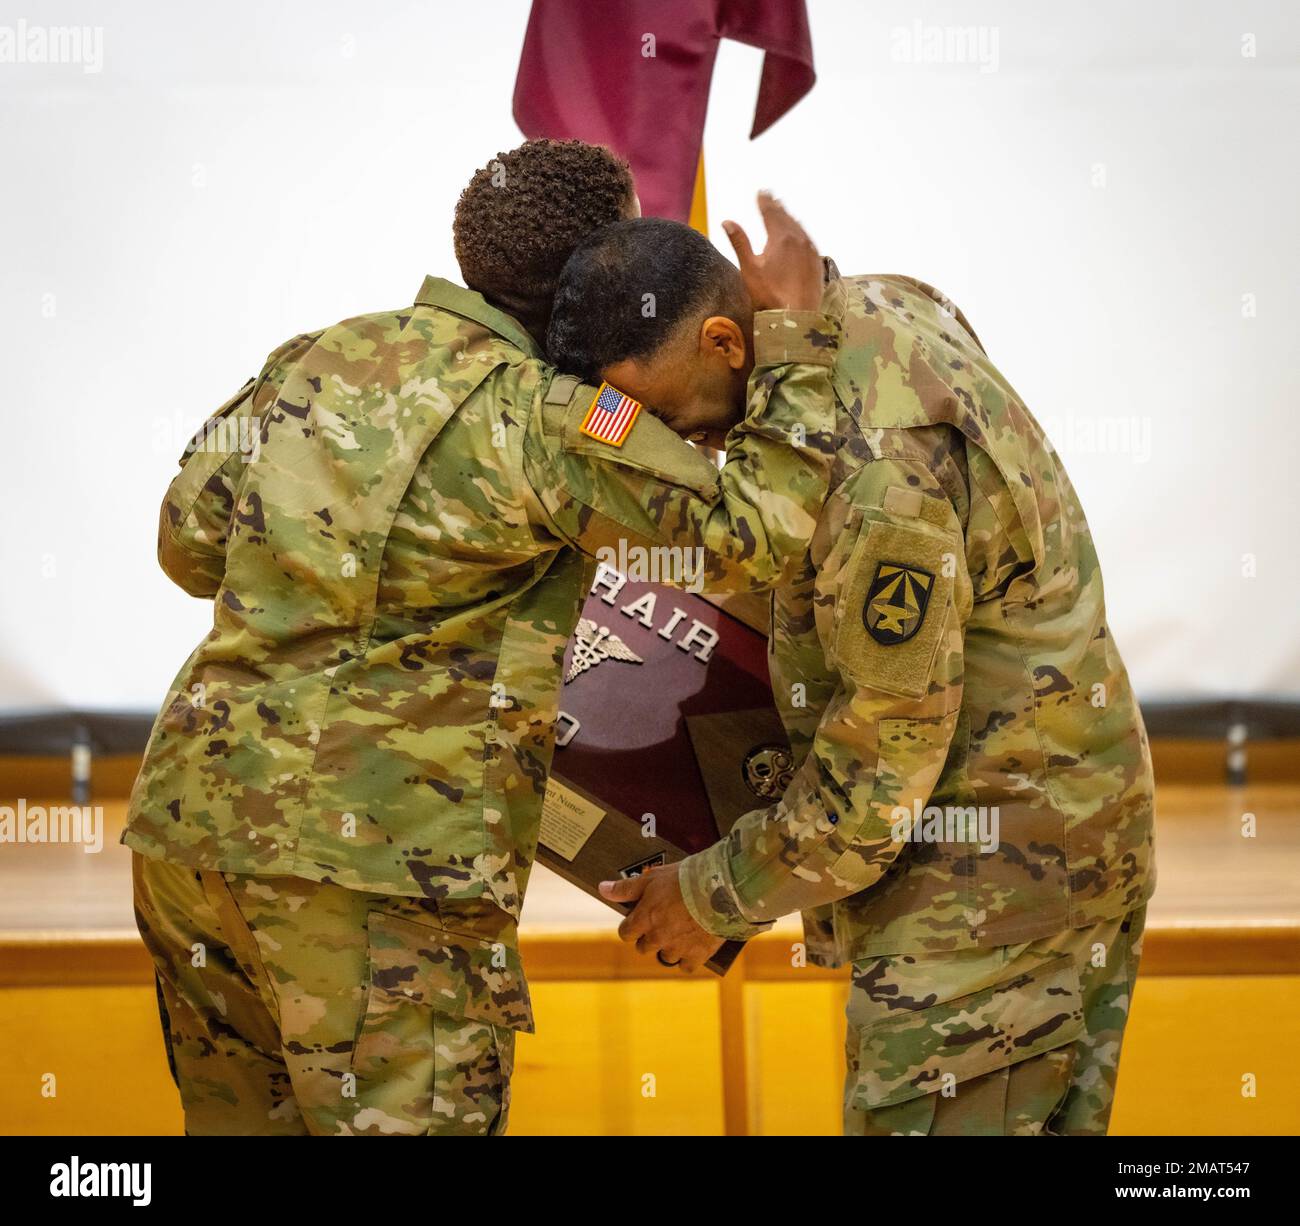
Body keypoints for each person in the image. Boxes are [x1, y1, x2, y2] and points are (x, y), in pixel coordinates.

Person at [126, 141, 839, 1135]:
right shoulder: (551, 420)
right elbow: (756, 534)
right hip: (377, 864)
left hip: (191, 832)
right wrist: (798, 337)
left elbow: (187, 543)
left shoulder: (316, 356)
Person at [551, 217, 1156, 1136]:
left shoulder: (872, 478)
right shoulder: (872, 307)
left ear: (723, 340)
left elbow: (878, 780)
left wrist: (712, 897)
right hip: (1048, 846)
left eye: (669, 414)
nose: (679, 444)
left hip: (988, 901)